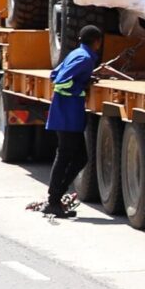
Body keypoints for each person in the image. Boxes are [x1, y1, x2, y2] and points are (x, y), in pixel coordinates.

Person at [36, 24, 103, 220]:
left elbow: (54, 73)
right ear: (97, 42)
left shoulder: (76, 54)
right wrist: (82, 86)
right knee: (66, 156)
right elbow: (61, 81)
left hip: (66, 115)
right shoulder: (84, 58)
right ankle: (53, 200)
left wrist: (86, 78)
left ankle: (56, 198)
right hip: (67, 116)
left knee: (80, 157)